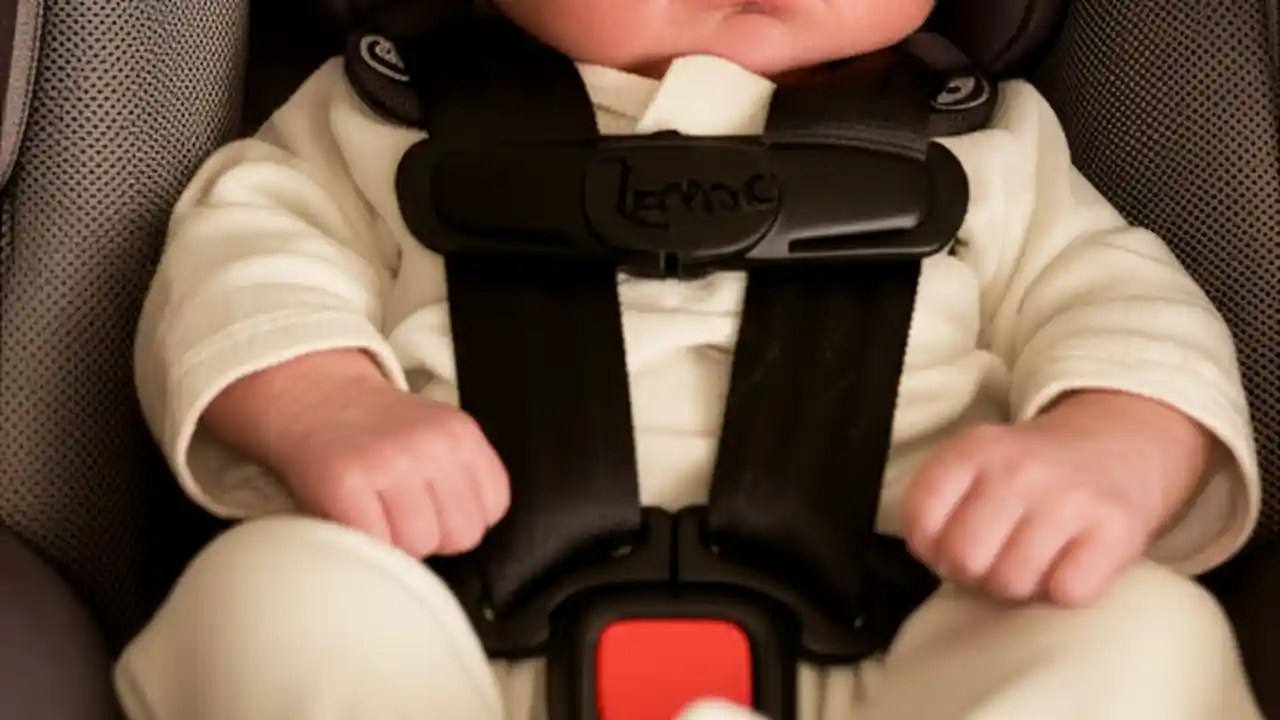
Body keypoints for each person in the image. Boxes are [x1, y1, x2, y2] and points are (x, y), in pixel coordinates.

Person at [113, 0, 1265, 718]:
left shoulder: (988, 148)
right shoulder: (381, 119)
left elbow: (1117, 308)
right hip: (457, 638)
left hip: (908, 638)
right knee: (268, 597)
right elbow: (248, 257)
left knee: (1140, 631)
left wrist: (1105, 446)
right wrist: (324, 405)